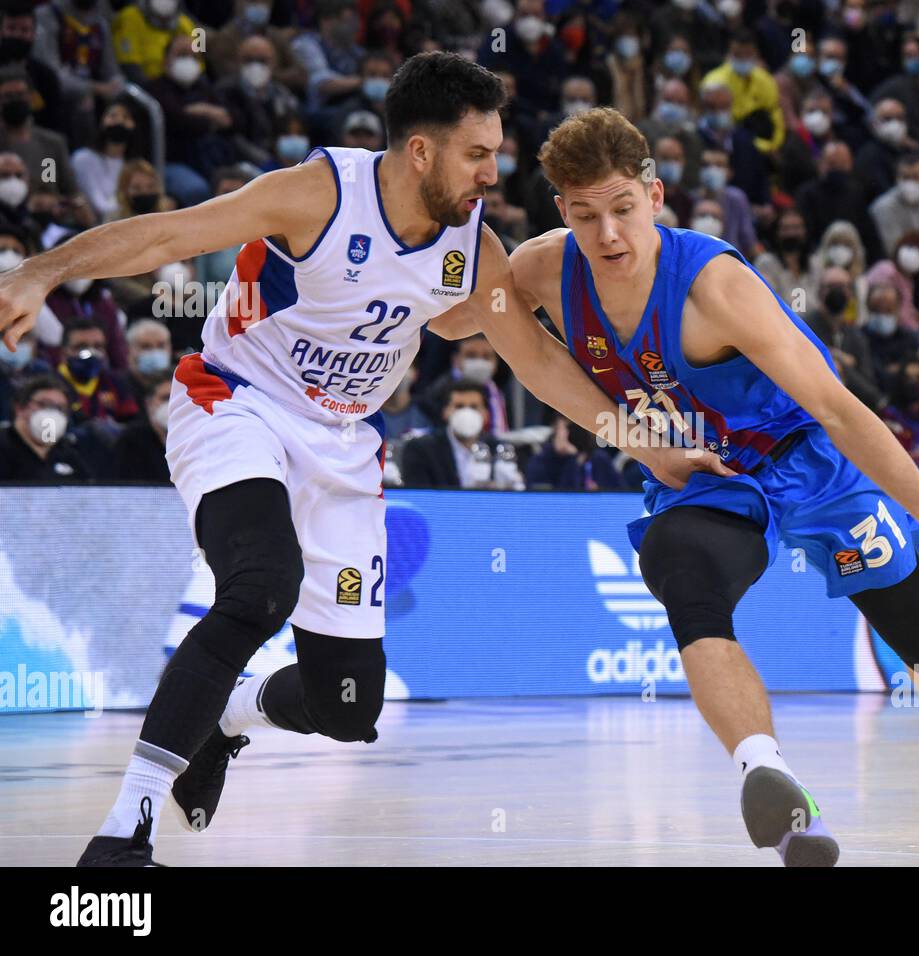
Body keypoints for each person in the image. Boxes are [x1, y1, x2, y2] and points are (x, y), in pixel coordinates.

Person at [0, 53, 725, 867]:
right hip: (238, 404)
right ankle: (123, 832)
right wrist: (41, 271)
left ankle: (227, 721)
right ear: (421, 151)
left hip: (345, 447)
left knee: (347, 705)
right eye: (477, 153)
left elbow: (537, 360)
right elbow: (169, 233)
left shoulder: (472, 250)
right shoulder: (316, 195)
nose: (495, 168)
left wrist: (646, 444)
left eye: (495, 151)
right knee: (260, 587)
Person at [507, 107, 919, 868]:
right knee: (682, 573)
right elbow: (479, 318)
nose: (608, 233)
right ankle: (768, 772)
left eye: (622, 209)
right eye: (586, 216)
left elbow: (838, 409)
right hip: (711, 469)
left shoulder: (716, 287)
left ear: (654, 197)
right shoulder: (543, 268)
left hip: (807, 456)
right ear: (562, 212)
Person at [0, 373, 90, 480]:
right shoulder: (3, 447)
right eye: (45, 404)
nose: (53, 413)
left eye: (60, 408)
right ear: (20, 408)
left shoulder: (68, 454)